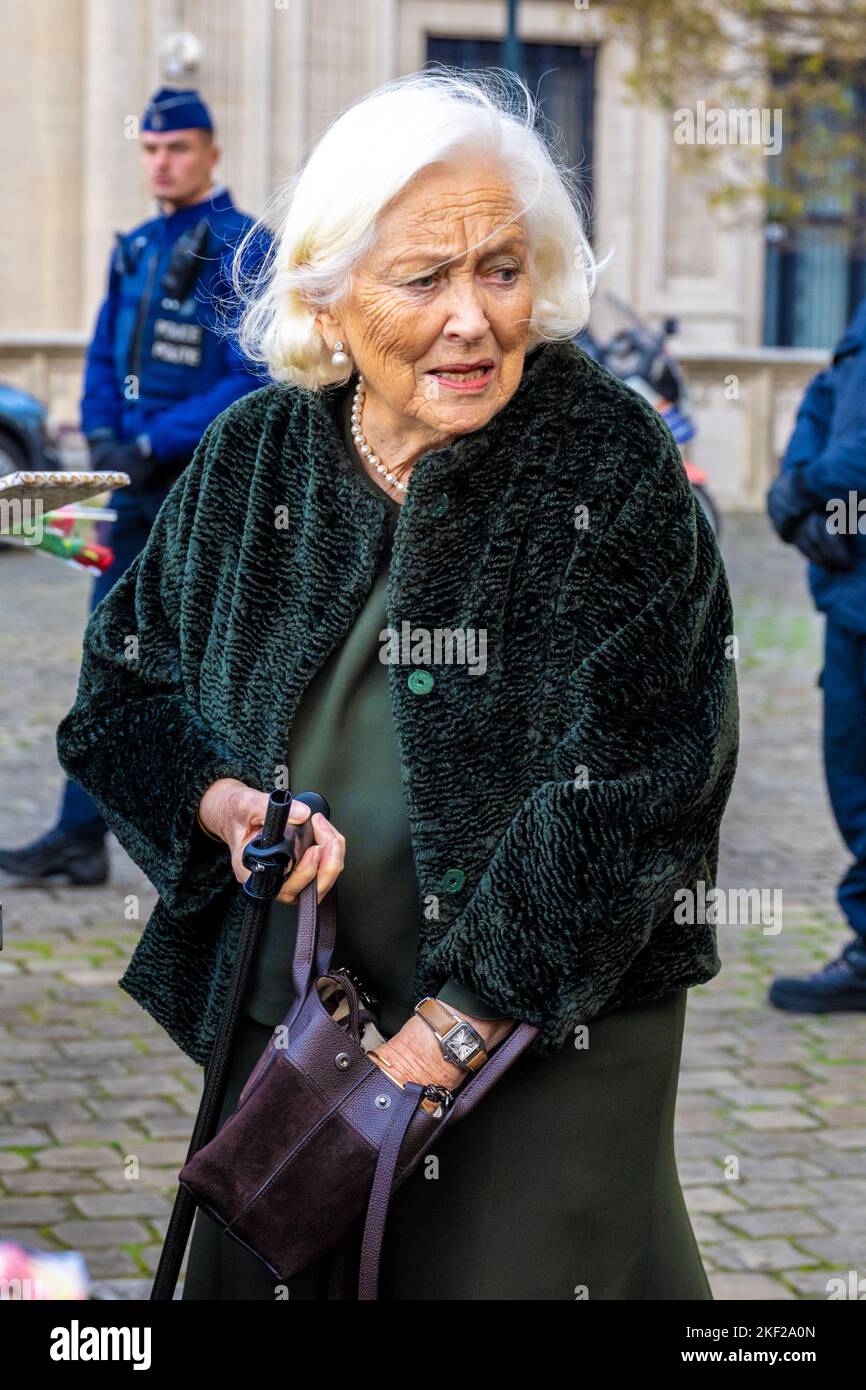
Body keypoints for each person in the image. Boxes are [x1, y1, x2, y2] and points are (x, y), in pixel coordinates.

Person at [55, 69, 739, 1300]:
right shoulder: (254, 454)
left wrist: (441, 1041)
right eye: (424, 279)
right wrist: (220, 807)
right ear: (326, 299)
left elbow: (643, 784)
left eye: (500, 266)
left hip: (538, 1037)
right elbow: (117, 700)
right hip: (296, 1034)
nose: (472, 317)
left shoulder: (605, 457)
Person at [0, 86, 270, 887]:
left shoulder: (242, 245)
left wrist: (158, 436)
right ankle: (80, 838)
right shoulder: (138, 247)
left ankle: (236, 839)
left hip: (205, 494)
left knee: (217, 668)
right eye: (152, 148)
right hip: (131, 492)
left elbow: (253, 371)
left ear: (211, 153)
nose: (163, 161)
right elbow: (99, 357)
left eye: (179, 147)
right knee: (110, 656)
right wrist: (106, 430)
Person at [766, 294, 866, 1011]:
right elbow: (825, 407)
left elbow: (853, 451)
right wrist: (794, 502)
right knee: (852, 767)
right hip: (850, 596)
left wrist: (798, 490)